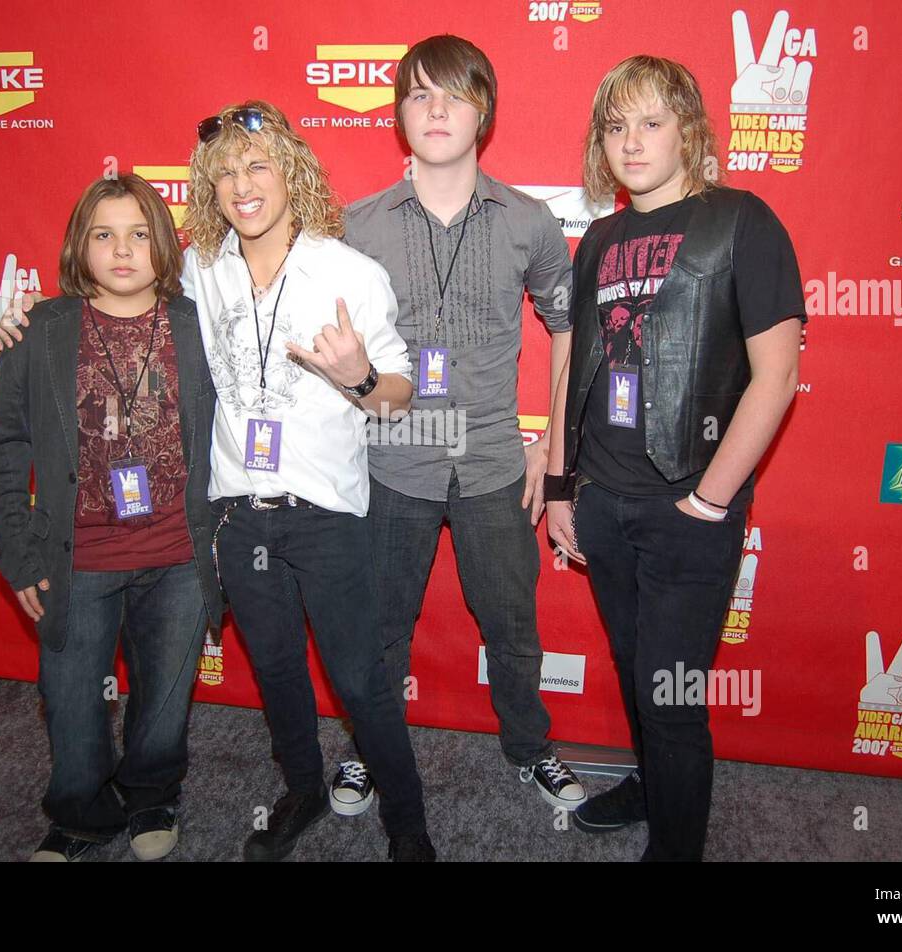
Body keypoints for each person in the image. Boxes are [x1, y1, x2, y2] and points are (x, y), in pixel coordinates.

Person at [545, 55, 806, 861]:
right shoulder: (598, 239)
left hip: (689, 508)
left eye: (651, 121)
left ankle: (678, 845)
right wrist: (560, 487)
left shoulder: (741, 222)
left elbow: (779, 373)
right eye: (616, 125)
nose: (631, 140)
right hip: (604, 503)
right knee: (635, 672)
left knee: (672, 697)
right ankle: (653, 788)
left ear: (688, 128)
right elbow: (571, 370)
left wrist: (712, 500)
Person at [335, 34, 586, 818]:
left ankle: (530, 748)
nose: (436, 109)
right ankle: (367, 752)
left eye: (454, 93)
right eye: (418, 94)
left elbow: (570, 323)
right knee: (379, 625)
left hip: (489, 464)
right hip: (392, 461)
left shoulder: (530, 222)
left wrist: (556, 448)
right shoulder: (356, 227)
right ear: (399, 115)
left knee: (513, 625)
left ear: (484, 111)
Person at [186, 101, 434, 862]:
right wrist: (31, 324)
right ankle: (300, 788)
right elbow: (113, 293)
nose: (242, 185)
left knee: (360, 682)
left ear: (291, 173)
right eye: (224, 173)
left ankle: (408, 824)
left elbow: (401, 393)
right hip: (239, 514)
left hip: (325, 516)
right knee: (277, 670)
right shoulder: (202, 266)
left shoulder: (347, 272)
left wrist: (360, 378)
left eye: (257, 166)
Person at [0, 174, 223, 862]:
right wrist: (19, 551)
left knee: (166, 695)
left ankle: (151, 795)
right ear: (79, 246)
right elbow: (3, 449)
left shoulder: (200, 327)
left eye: (140, 233)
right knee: (71, 696)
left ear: (165, 244)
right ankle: (80, 813)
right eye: (104, 234)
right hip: (76, 557)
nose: (123, 250)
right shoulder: (39, 331)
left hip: (178, 552)